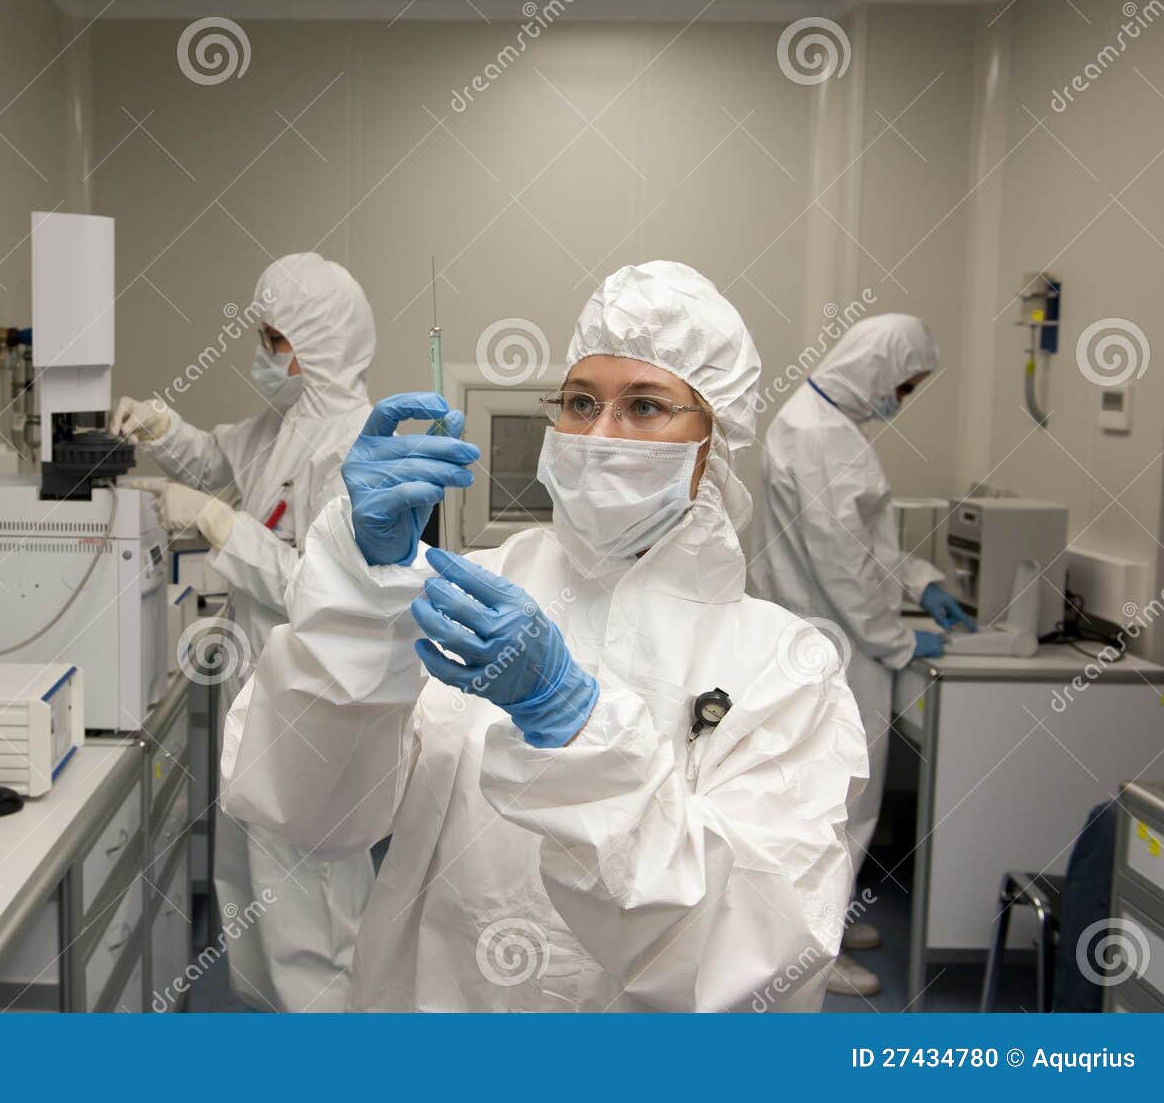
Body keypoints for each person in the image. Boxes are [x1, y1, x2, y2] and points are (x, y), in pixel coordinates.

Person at [219, 261, 868, 1010]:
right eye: (581, 401)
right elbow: (310, 812)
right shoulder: (470, 595)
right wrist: (361, 595)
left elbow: (758, 960)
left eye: (646, 406)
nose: (598, 433)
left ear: (713, 442)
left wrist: (573, 725)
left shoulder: (783, 666)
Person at [111, 252, 377, 1012]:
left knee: (311, 915)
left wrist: (218, 520)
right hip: (258, 694)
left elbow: (325, 590)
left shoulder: (357, 447)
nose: (264, 356)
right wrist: (162, 426)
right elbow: (215, 457)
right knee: (251, 896)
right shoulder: (285, 424)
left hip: (314, 708)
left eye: (274, 339)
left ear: (315, 342)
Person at [751, 312, 975, 997]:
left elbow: (864, 541)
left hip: (832, 635)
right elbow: (843, 564)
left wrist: (924, 581)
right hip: (836, 644)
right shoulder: (818, 435)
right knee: (838, 807)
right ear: (879, 367)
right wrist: (900, 638)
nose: (900, 400)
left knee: (833, 806)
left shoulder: (825, 425)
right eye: (903, 386)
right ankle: (810, 960)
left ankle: (830, 928)